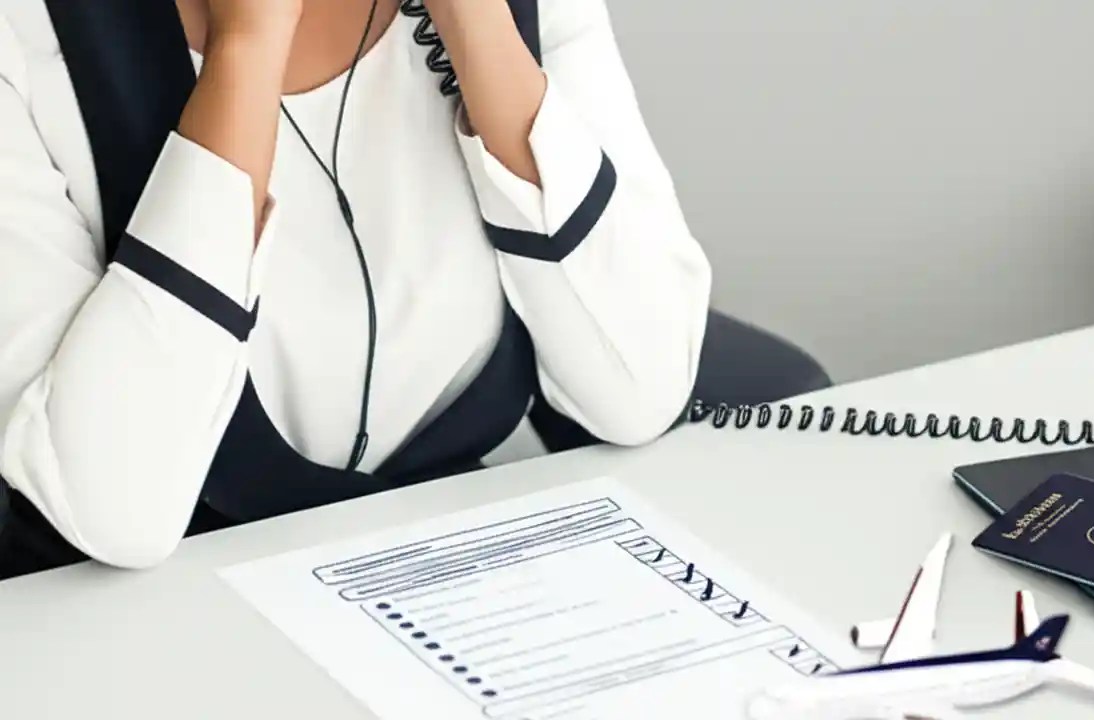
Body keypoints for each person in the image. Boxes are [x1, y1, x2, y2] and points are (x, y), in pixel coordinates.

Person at [0, 0, 712, 575]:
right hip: (141, 641)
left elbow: (640, 389)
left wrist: (478, 23)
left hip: (464, 594)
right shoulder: (23, 37)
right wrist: (247, 49)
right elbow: (112, 510)